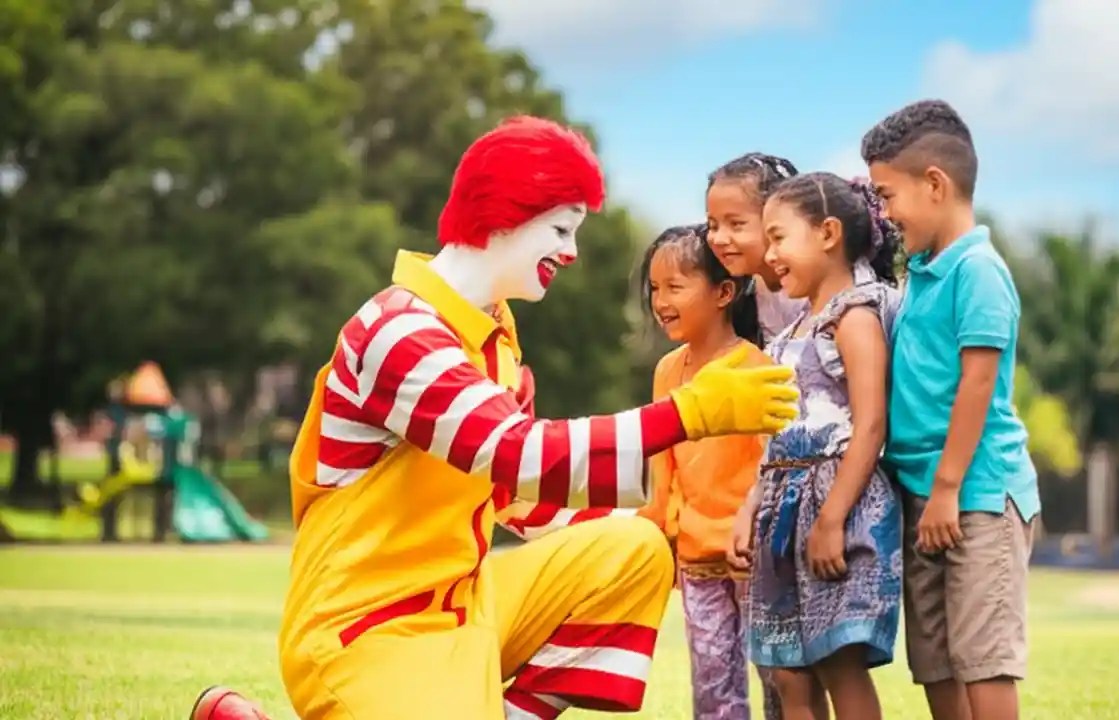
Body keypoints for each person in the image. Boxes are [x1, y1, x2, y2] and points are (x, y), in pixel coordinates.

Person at [188, 116, 799, 720]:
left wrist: (672, 531)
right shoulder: (397, 330)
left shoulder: (496, 339)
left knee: (634, 547)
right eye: (560, 228)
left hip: (462, 609)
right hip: (363, 632)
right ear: (506, 213)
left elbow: (514, 492)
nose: (571, 252)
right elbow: (511, 451)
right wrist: (689, 413)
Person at [862, 99, 1040, 720]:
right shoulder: (923, 274)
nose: (884, 214)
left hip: (977, 495)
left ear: (934, 183)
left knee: (982, 658)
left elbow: (978, 384)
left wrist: (947, 489)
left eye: (887, 196)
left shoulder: (979, 272)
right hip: (924, 494)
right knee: (935, 659)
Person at [728, 172, 903, 720]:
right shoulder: (794, 327)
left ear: (828, 233)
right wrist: (750, 504)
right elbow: (780, 433)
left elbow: (870, 425)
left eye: (779, 238)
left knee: (838, 663)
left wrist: (832, 519)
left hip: (838, 504)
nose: (770, 253)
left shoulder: (854, 317)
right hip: (784, 504)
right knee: (788, 674)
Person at [634, 223, 771, 720]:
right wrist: (658, 535)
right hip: (695, 559)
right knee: (713, 688)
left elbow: (771, 463)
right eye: (654, 288)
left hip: (754, 554)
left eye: (675, 286)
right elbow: (660, 463)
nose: (660, 300)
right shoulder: (668, 371)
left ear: (723, 292)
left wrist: (754, 529)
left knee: (780, 679)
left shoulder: (756, 367)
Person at [705, 153, 809, 345]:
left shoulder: (812, 288)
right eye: (713, 226)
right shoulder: (744, 293)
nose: (718, 239)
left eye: (736, 224)